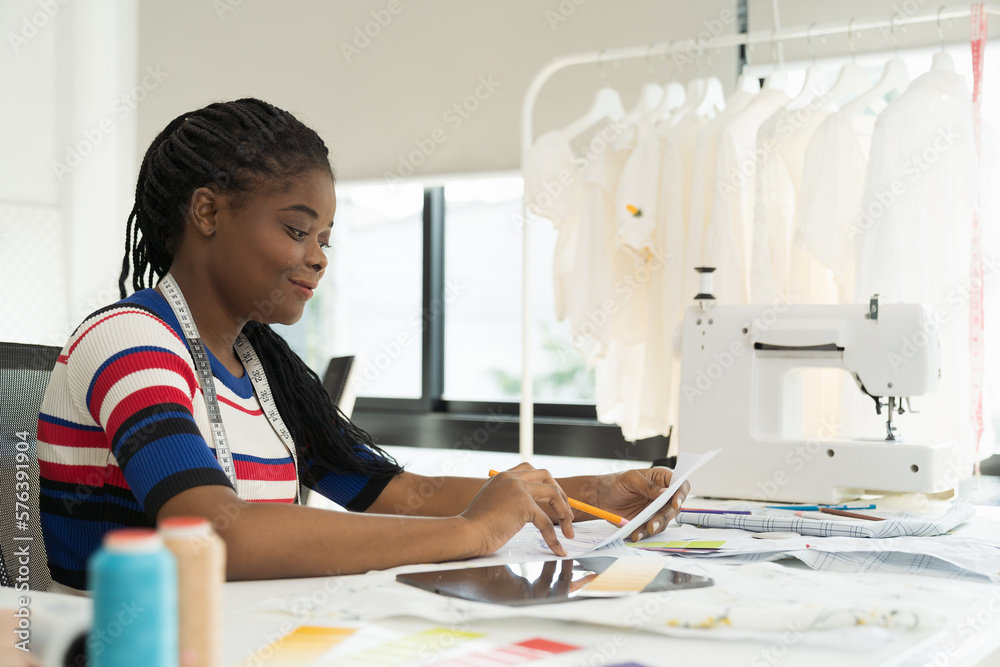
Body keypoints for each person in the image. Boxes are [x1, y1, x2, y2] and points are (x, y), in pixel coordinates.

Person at [37, 98, 689, 594]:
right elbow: (215, 534)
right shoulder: (129, 341)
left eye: (326, 239)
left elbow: (399, 493)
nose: (319, 258)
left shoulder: (260, 368)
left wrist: (595, 492)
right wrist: (470, 531)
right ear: (207, 213)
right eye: (298, 230)